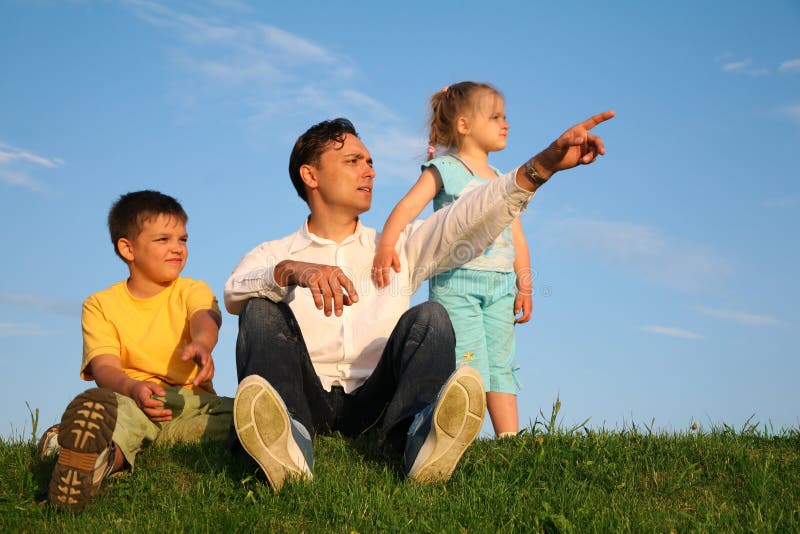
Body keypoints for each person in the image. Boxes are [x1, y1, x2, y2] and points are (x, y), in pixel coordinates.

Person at [225, 109, 614, 492]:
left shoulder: (396, 246)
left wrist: (542, 165)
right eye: (353, 161)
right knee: (259, 307)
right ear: (310, 175)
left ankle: (418, 439)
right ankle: (288, 441)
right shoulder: (274, 253)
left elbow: (468, 215)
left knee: (432, 316)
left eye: (370, 162)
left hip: (378, 401)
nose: (369, 171)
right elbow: (234, 291)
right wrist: (289, 271)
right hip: (304, 397)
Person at [42, 190, 230, 512]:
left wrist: (202, 342)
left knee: (238, 415)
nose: (177, 248)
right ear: (127, 248)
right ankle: (96, 464)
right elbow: (104, 367)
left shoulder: (192, 289)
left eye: (183, 239)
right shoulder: (100, 305)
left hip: (191, 403)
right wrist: (133, 388)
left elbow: (206, 318)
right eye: (163, 239)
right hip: (132, 399)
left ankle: (63, 444)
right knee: (121, 421)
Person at [372, 82, 530, 437]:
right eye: (495, 117)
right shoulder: (444, 168)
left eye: (505, 117)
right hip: (457, 284)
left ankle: (509, 441)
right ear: (464, 125)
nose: (505, 124)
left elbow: (516, 236)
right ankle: (459, 437)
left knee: (501, 364)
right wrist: (387, 245)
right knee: (468, 363)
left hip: (501, 286)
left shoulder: (504, 180)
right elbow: (408, 207)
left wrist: (525, 284)